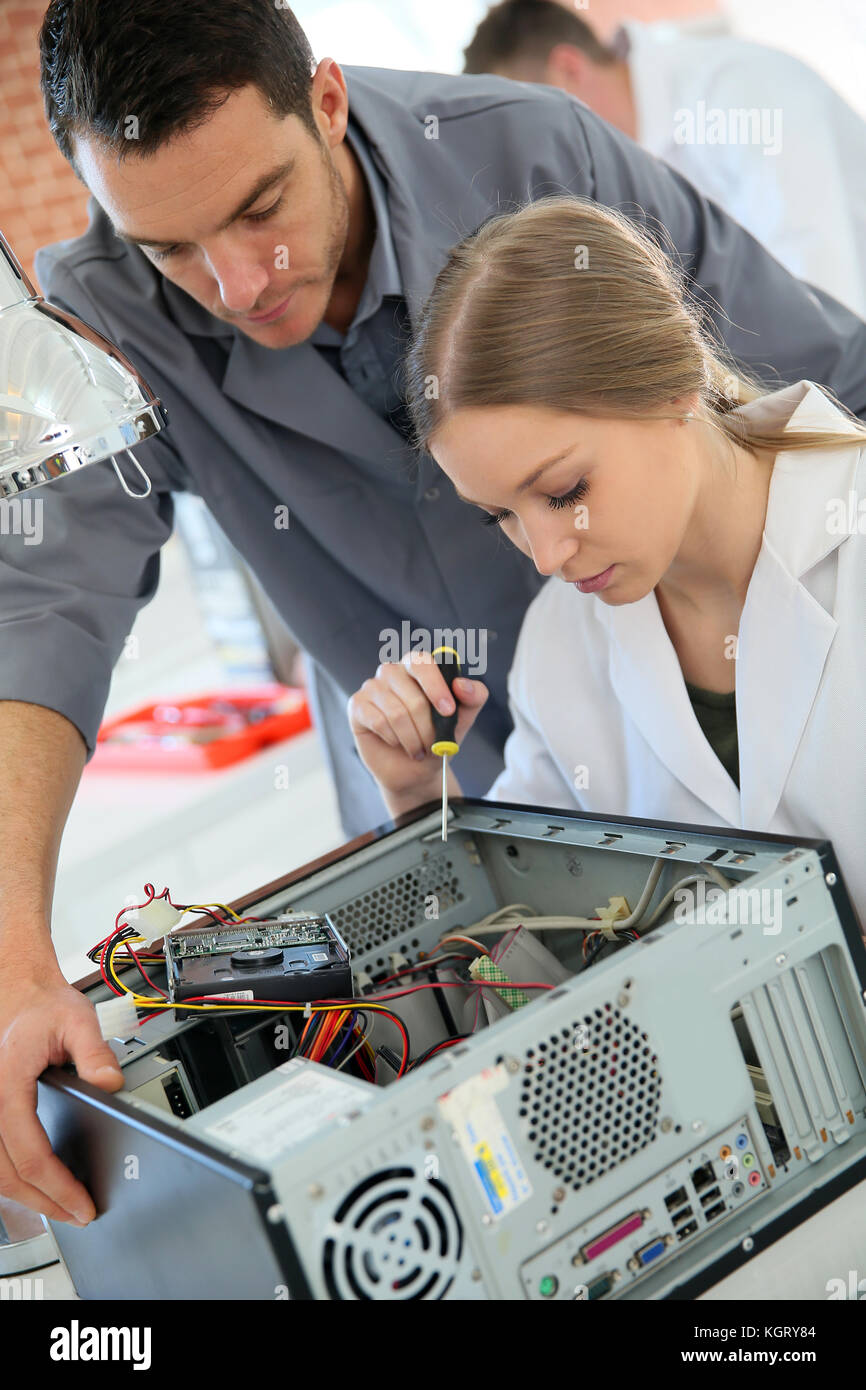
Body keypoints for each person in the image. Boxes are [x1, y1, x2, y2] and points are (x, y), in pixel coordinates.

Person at [2, 0, 866, 1230]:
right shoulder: (104, 309)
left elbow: (816, 366)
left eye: (259, 209)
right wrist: (8, 950)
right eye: (172, 249)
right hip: (473, 775)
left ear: (329, 103)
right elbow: (46, 597)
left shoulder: (529, 153)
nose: (239, 284)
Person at [348, 195, 866, 935]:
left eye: (564, 491)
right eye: (500, 516)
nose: (549, 555)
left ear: (674, 383)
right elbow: (527, 946)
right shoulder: (563, 641)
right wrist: (418, 796)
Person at [463, 1, 866, 316]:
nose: (540, 155)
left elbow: (819, 281)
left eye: (532, 127)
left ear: (568, 69)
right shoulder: (622, 168)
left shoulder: (735, 89)